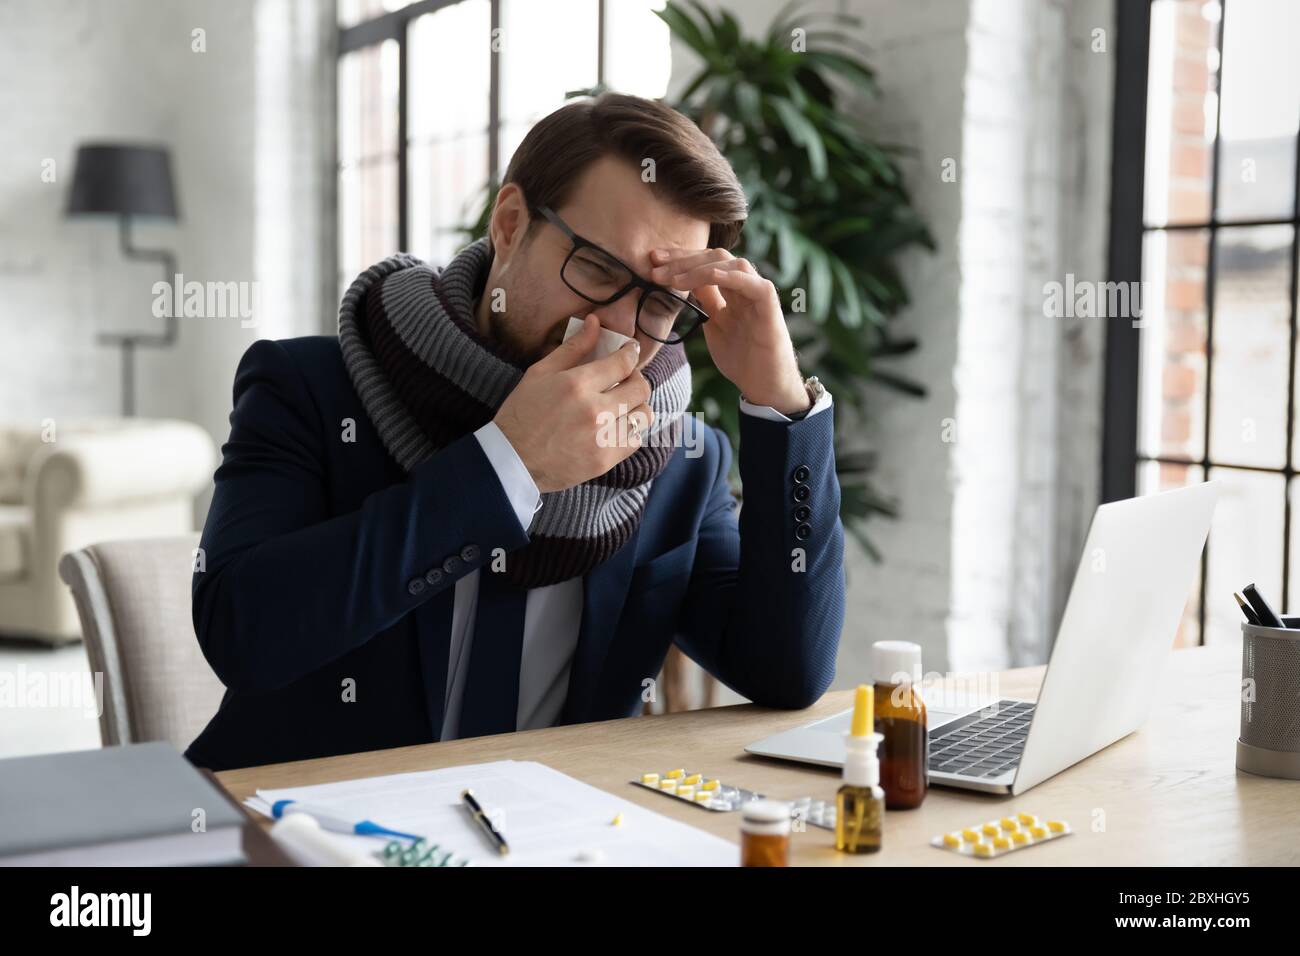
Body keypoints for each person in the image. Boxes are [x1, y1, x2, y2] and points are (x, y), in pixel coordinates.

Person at [185, 93, 844, 771]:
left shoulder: (679, 458)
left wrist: (781, 403)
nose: (617, 328)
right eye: (596, 269)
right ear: (508, 224)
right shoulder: (311, 388)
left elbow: (785, 672)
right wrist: (510, 461)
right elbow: (244, 633)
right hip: (304, 831)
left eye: (660, 303)